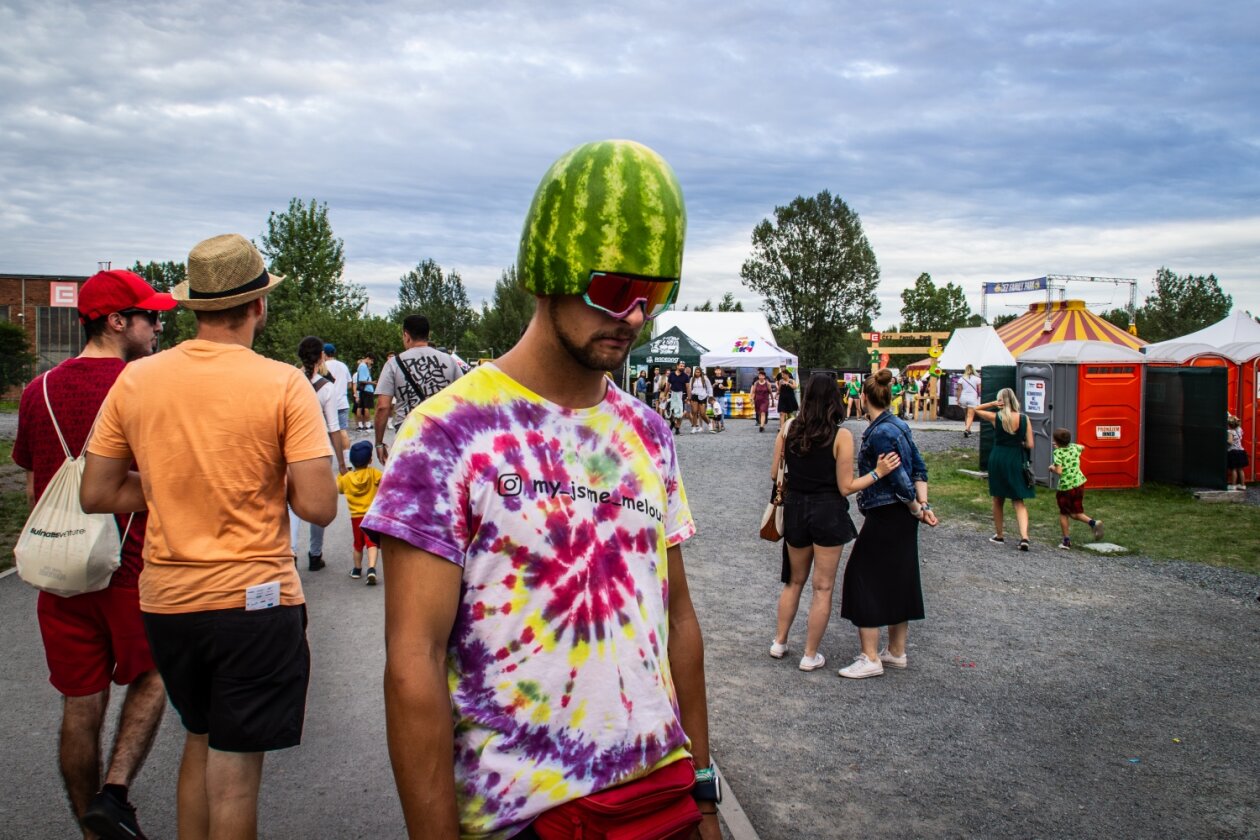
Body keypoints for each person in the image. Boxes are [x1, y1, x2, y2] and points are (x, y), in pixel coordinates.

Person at [365, 139, 719, 840]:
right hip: (528, 814)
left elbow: (678, 620)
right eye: (617, 289)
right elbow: (412, 665)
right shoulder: (447, 434)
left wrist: (704, 795)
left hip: (664, 798)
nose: (636, 317)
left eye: (654, 294)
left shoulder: (649, 434)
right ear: (547, 268)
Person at [80, 233, 338, 839]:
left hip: (168, 604)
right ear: (258, 306)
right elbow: (320, 506)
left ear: (194, 306)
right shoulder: (283, 384)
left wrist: (177, 487)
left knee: (199, 739)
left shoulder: (137, 381)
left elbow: (97, 491)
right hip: (255, 601)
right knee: (235, 775)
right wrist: (246, 483)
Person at [13, 269, 174, 840]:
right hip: (132, 564)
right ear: (116, 321)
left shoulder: (40, 390)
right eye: (150, 316)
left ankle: (90, 828)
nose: (159, 325)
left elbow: (34, 469)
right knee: (154, 673)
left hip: (60, 568)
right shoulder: (147, 386)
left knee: (80, 704)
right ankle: (116, 793)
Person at [770, 374, 901, 672]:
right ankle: (809, 654)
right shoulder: (841, 436)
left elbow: (773, 474)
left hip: (795, 509)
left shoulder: (788, 429)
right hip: (828, 511)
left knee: (794, 581)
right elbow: (846, 486)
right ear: (834, 399)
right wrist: (878, 472)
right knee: (823, 587)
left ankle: (779, 641)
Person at [838, 369, 938, 679]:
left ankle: (870, 657)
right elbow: (920, 467)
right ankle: (896, 650)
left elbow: (901, 480)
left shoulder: (880, 432)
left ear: (863, 397)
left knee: (861, 576)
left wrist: (913, 505)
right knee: (899, 577)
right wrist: (924, 506)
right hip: (905, 515)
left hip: (888, 512)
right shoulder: (899, 425)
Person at [291, 337, 349, 570]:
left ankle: (291, 551)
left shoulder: (291, 381)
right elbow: (334, 427)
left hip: (290, 449)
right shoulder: (327, 387)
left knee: (290, 504)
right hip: (317, 449)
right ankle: (315, 554)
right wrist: (342, 464)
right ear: (321, 358)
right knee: (318, 502)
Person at [374, 314, 464, 465]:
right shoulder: (449, 361)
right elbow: (463, 398)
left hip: (407, 432)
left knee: (411, 480)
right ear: (428, 335)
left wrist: (378, 442)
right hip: (442, 430)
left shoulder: (393, 364)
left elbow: (383, 406)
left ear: (406, 336)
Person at [973, 388, 1035, 550]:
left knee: (998, 498)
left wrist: (992, 404)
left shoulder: (996, 417)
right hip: (1016, 458)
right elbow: (1030, 444)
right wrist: (1020, 443)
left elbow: (976, 409)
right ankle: (1024, 537)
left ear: (1000, 401)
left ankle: (1000, 535)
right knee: (1018, 499)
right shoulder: (1024, 419)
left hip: (999, 457)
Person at [1049, 428, 1104, 549]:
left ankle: (1066, 541)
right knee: (1075, 513)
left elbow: (1059, 471)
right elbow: (1082, 447)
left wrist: (1052, 467)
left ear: (1056, 441)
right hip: (1079, 484)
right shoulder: (1075, 447)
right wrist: (1065, 446)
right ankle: (1094, 523)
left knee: (1064, 513)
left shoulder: (1058, 453)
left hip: (1066, 487)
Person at [338, 440, 383, 583]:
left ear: (351, 460)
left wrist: (342, 475)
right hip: (371, 516)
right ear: (370, 460)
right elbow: (386, 480)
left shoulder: (346, 479)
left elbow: (338, 489)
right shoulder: (373, 474)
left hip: (356, 517)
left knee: (358, 544)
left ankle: (357, 569)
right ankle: (371, 569)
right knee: (372, 543)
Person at [323, 342, 352, 458]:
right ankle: (347, 459)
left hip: (327, 404)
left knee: (328, 432)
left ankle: (330, 458)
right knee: (342, 430)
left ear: (324, 354)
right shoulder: (343, 365)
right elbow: (350, 384)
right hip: (343, 402)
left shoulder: (323, 366)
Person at [956, 364, 981, 437]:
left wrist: (958, 399)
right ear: (973, 369)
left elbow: (959, 390)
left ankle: (968, 429)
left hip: (963, 398)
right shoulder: (977, 379)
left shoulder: (962, 379)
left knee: (966, 415)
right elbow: (979, 390)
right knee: (970, 415)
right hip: (972, 398)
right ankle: (967, 429)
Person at [666, 360, 690, 434]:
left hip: (681, 395)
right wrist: (664, 395)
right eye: (681, 366)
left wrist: (689, 398)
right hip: (672, 395)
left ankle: (677, 428)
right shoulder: (672, 375)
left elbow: (688, 387)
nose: (682, 367)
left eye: (683, 366)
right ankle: (673, 422)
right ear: (677, 366)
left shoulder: (685, 376)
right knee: (669, 412)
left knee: (680, 413)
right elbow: (667, 386)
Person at [1227, 415, 1250, 491]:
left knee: (1233, 469)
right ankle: (1243, 485)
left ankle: (1233, 485)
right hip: (1241, 451)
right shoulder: (1239, 430)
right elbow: (1236, 421)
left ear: (1229, 425)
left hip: (1233, 452)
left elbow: (1230, 442)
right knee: (1240, 469)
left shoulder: (1230, 431)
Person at [688, 366, 713, 434]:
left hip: (703, 396)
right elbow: (690, 388)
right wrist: (689, 397)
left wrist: (710, 396)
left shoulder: (705, 379)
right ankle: (694, 427)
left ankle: (709, 423)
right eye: (696, 372)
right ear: (694, 372)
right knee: (694, 412)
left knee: (702, 413)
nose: (697, 373)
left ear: (701, 372)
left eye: (698, 372)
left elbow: (709, 387)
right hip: (694, 396)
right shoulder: (692, 379)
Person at [354, 354, 376, 431]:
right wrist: (372, 383)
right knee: (366, 407)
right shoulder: (363, 366)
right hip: (367, 389)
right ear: (368, 358)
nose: (372, 362)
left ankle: (360, 425)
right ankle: (367, 424)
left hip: (363, 390)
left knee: (360, 407)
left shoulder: (362, 365)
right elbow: (362, 380)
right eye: (371, 360)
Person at [709, 367, 728, 432]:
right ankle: (716, 424)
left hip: (722, 395)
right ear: (715, 371)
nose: (718, 371)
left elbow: (727, 387)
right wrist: (714, 384)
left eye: (719, 370)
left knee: (722, 409)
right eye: (716, 370)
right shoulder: (712, 378)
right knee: (714, 410)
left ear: (720, 371)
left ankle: (722, 424)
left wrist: (723, 387)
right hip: (714, 396)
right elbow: (710, 387)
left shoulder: (724, 378)